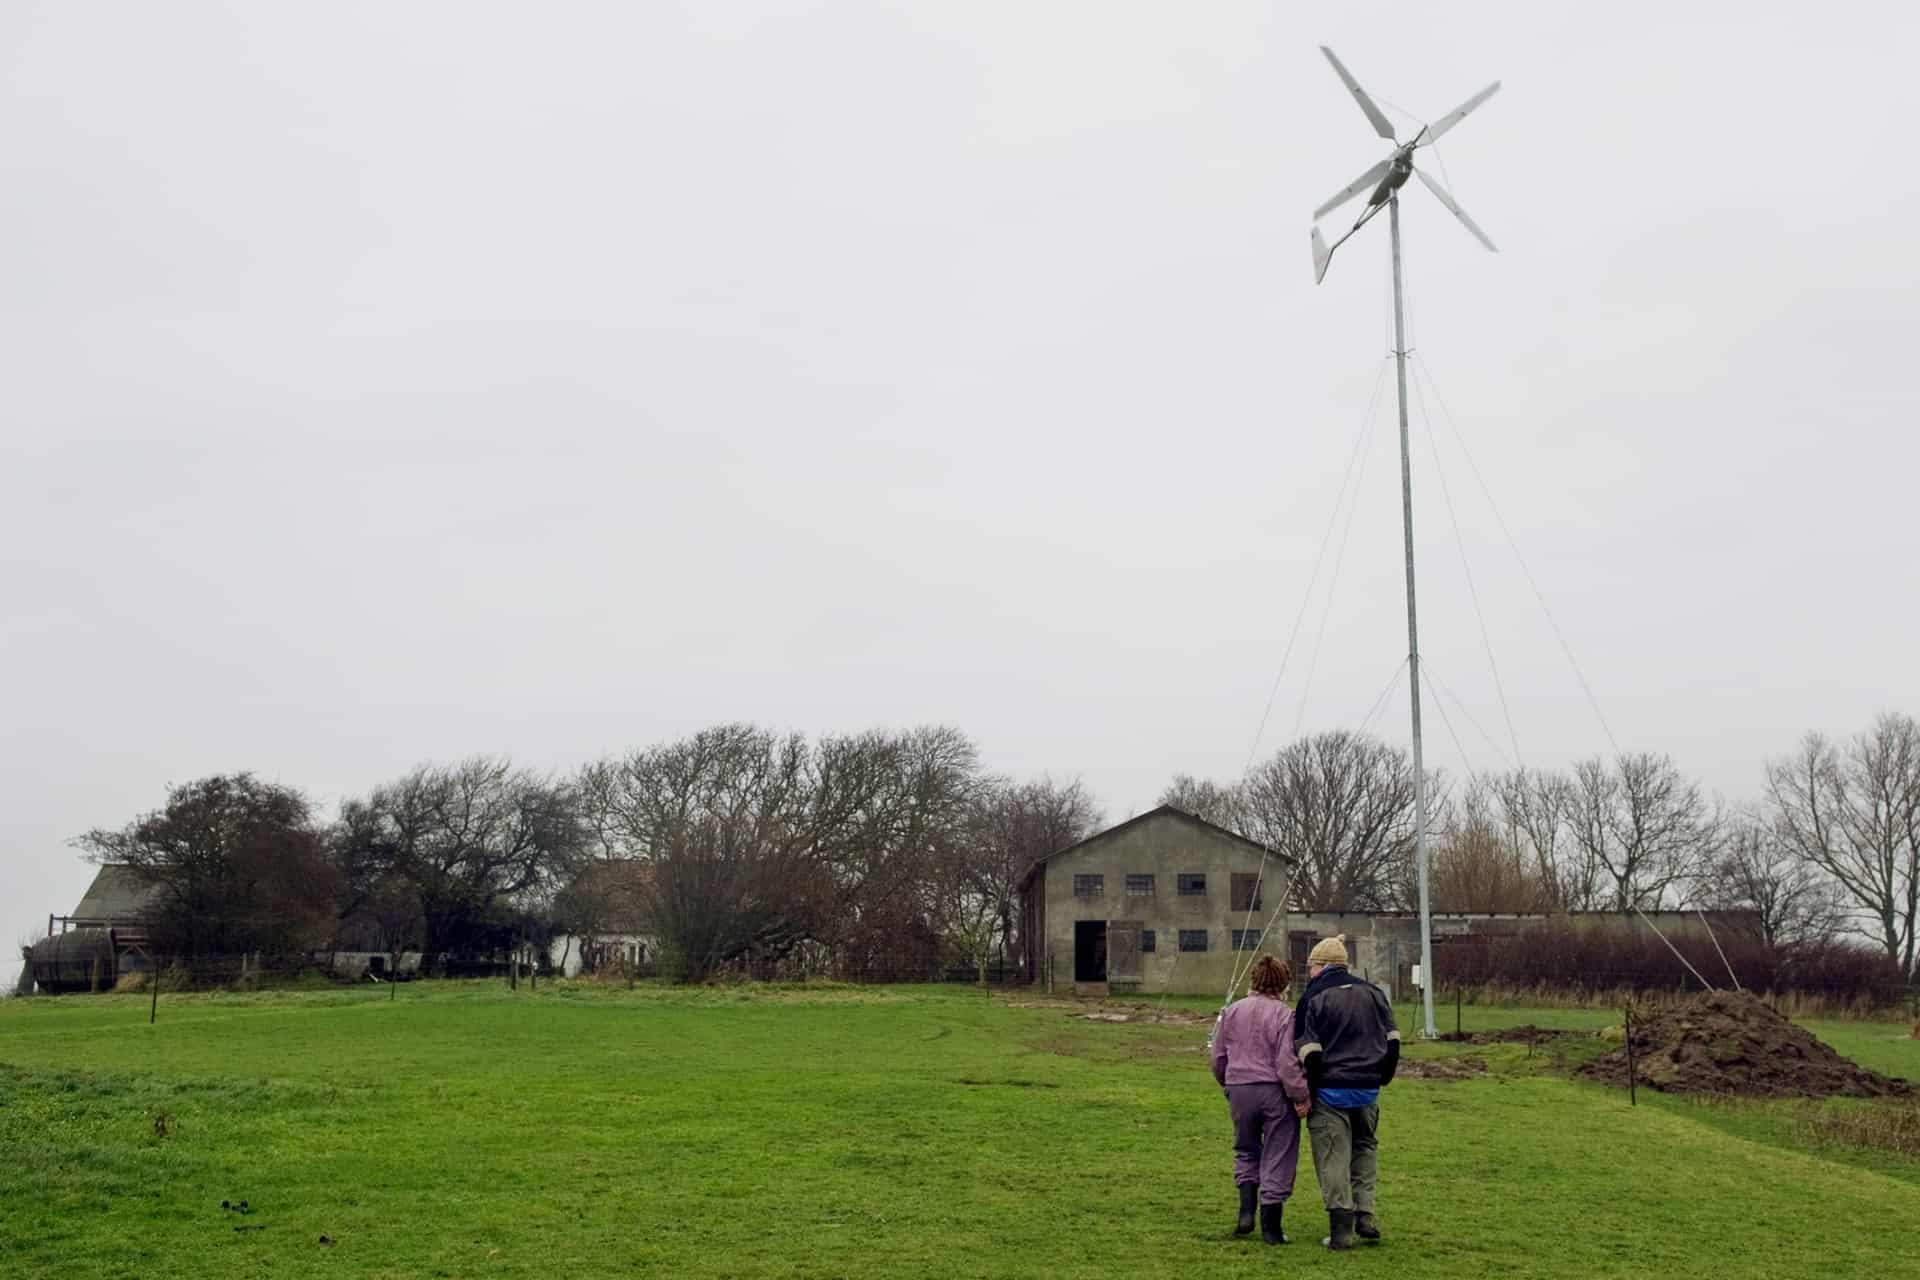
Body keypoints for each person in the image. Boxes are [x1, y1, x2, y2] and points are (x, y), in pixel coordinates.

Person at [1294, 935, 1400, 1250]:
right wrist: (1383, 1077)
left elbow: (1307, 1050)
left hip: (1330, 1091)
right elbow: (1392, 1039)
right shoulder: (1374, 993)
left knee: (1332, 1156)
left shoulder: (1312, 997)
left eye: (1311, 966)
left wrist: (1308, 1092)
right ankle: (1365, 1213)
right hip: (1368, 1089)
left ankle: (1341, 1228)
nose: (1310, 972)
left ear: (1322, 966)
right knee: (1365, 1148)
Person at [1209, 954, 1312, 1245]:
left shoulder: (1232, 1012)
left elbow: (1218, 1057)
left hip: (1240, 1088)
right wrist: (1301, 1095)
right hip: (1274, 1092)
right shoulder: (1284, 1015)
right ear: (1283, 983)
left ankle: (1245, 1212)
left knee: (1246, 1149)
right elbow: (1286, 1063)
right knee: (1278, 1153)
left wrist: (1228, 1083)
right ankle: (1271, 1227)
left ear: (1254, 979)